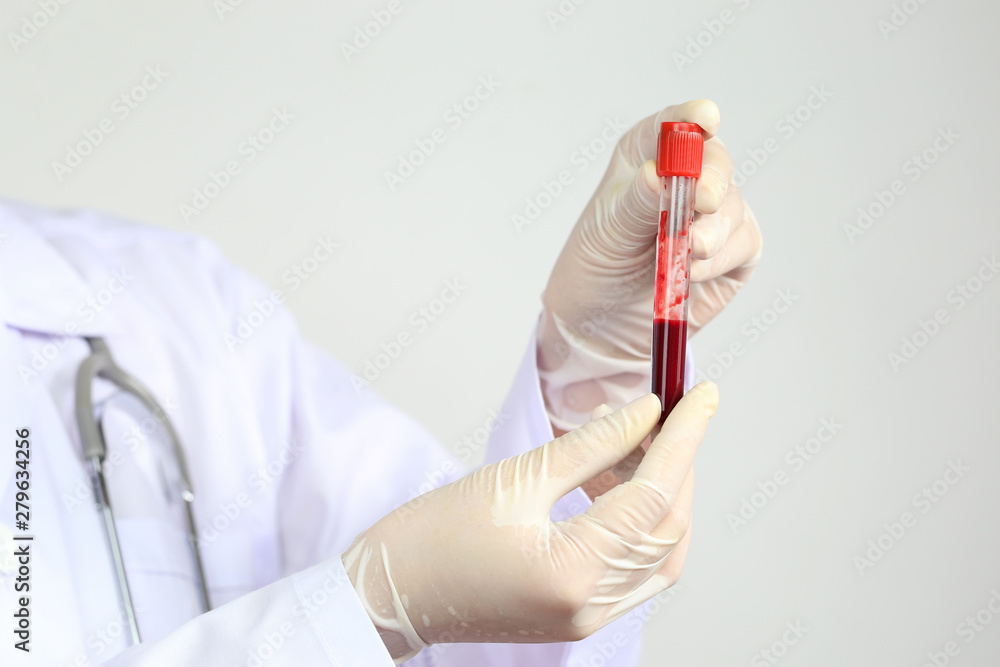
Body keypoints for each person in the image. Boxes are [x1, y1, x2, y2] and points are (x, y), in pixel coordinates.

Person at [0, 99, 761, 665]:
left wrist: (588, 379)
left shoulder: (161, 297)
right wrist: (366, 608)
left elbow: (486, 624)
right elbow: (403, 586)